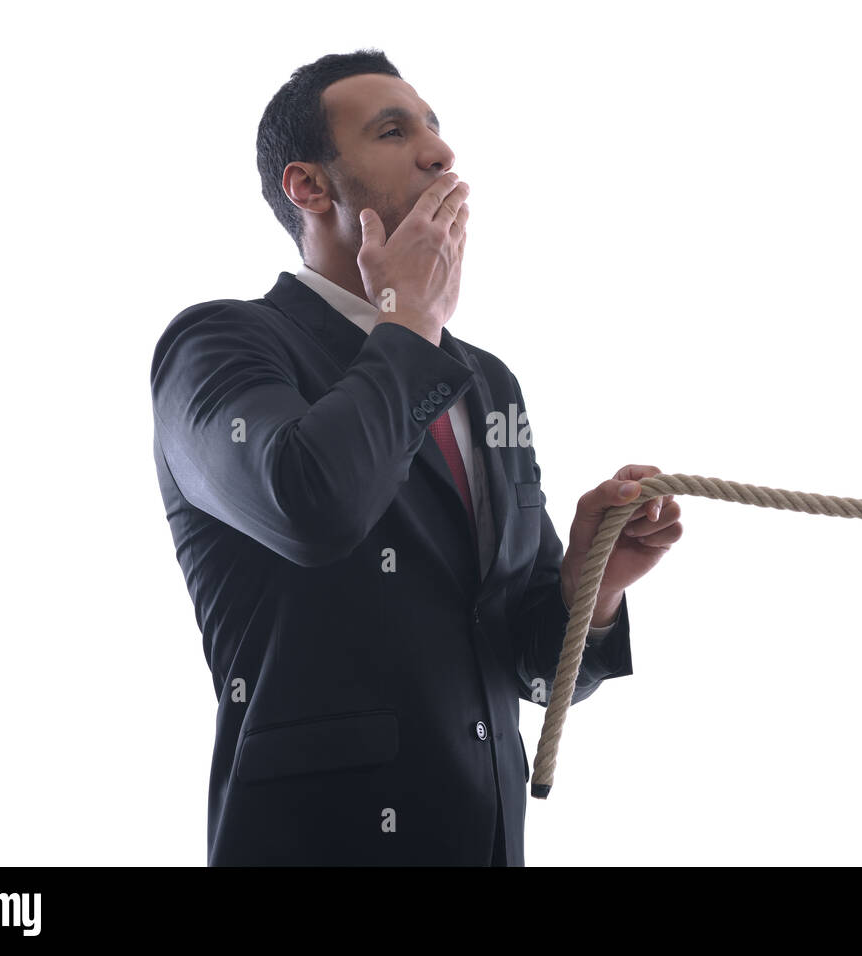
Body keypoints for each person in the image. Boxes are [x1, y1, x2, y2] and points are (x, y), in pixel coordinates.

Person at [149, 49, 683, 866]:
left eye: (435, 127)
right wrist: (407, 321)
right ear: (310, 187)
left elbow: (535, 670)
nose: (440, 152)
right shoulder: (217, 345)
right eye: (394, 131)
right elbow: (312, 504)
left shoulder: (487, 383)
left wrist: (591, 578)